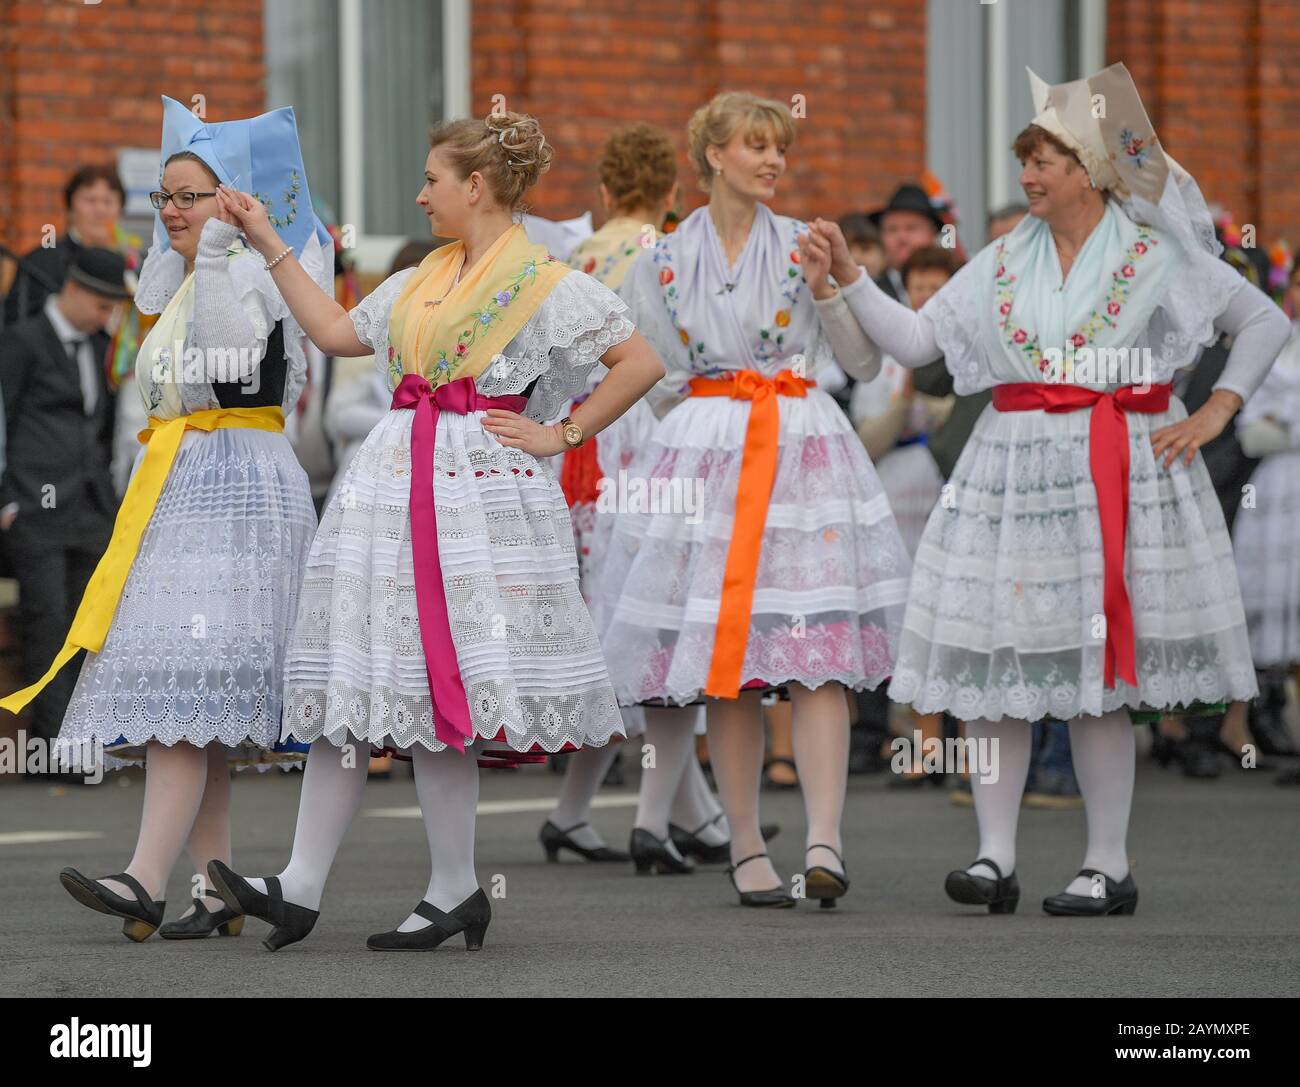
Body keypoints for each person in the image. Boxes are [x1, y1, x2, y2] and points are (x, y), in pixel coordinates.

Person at [811, 63, 1290, 916]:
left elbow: (1261, 319)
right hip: (1018, 470)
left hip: (1118, 465)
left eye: (1044, 160)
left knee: (1093, 670)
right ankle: (994, 856)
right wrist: (851, 275)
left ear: (1092, 169)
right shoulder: (1002, 259)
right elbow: (918, 338)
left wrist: (1219, 408)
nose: (1027, 175)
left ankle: (1108, 861)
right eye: (1025, 159)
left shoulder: (1155, 253)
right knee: (1004, 657)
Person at [205, 110, 665, 952]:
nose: (420, 195)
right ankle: (312, 882)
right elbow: (339, 333)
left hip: (475, 501)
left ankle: (448, 884)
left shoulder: (547, 283)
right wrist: (270, 240)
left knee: (436, 688)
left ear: (475, 185)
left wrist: (561, 433)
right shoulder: (426, 275)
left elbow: (639, 361)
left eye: (431, 180)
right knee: (369, 678)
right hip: (396, 482)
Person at [0, 97, 335, 941]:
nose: (173, 211)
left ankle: (144, 877)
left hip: (241, 490)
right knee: (195, 695)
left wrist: (221, 253)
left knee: (189, 682)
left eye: (189, 195)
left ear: (230, 201)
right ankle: (213, 884)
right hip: (183, 486)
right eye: (166, 197)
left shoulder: (251, 275)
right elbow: (158, 397)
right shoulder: (189, 282)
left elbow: (226, 368)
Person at [598, 91, 912, 909]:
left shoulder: (808, 242)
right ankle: (743, 843)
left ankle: (824, 839)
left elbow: (864, 365)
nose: (773, 160)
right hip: (710, 456)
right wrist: (709, 424)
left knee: (816, 658)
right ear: (713, 155)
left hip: (802, 450)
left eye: (780, 147)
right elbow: (656, 373)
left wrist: (834, 286)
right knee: (725, 666)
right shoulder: (661, 258)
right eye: (756, 146)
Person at [0, 248, 127, 754]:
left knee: (89, 626)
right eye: (101, 304)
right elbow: (4, 420)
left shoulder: (100, 348)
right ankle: (57, 748)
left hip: (90, 508)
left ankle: (87, 736)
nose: (107, 316)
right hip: (37, 509)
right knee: (48, 622)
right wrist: (8, 501)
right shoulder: (22, 341)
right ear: (72, 290)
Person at [867, 182, 944, 306]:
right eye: (892, 229)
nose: (901, 237)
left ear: (932, 234)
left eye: (911, 228)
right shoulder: (869, 294)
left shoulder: (953, 288)